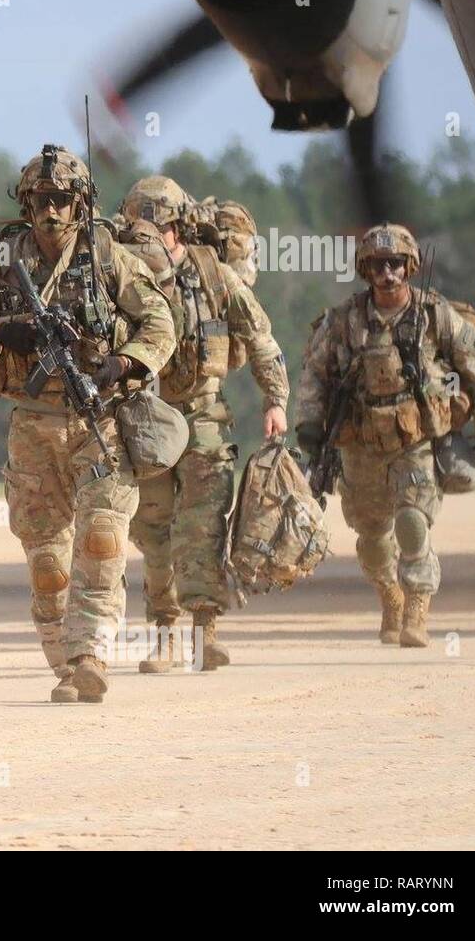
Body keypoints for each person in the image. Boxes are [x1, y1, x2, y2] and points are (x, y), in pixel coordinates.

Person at [0, 145, 175, 703]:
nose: (51, 212)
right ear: (25, 204)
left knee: (101, 537)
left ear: (81, 203)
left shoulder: (108, 258)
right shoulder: (4, 263)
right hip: (34, 428)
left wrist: (126, 362)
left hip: (100, 420)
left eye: (63, 201)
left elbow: (160, 321)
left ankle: (90, 654)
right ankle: (64, 662)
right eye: (40, 201)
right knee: (48, 562)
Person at [296, 223, 475, 646]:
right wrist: (309, 425)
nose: (387, 272)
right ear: (366, 270)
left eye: (395, 264)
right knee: (371, 539)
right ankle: (390, 596)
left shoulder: (434, 315)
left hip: (416, 440)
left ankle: (416, 608)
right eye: (377, 264)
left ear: (409, 267)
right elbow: (316, 374)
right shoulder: (344, 320)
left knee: (412, 521)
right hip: (360, 443)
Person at [118, 176, 289, 672]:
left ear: (178, 228)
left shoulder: (212, 274)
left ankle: (205, 628)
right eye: (140, 227)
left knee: (203, 524)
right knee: (153, 531)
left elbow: (259, 337)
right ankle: (165, 633)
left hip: (203, 413)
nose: (151, 236)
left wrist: (275, 400)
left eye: (160, 226)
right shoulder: (119, 277)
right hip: (144, 416)